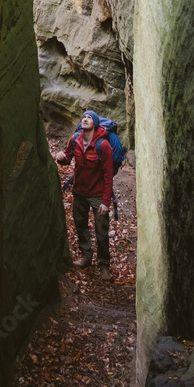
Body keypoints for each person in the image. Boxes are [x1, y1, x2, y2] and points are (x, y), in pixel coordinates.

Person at [55, 110, 113, 281]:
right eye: (83, 117)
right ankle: (86, 256)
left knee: (101, 231)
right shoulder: (75, 140)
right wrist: (60, 158)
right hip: (79, 192)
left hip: (97, 195)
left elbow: (108, 176)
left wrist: (105, 202)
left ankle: (104, 265)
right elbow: (67, 158)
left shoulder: (103, 146)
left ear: (95, 123)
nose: (85, 119)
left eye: (89, 118)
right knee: (80, 225)